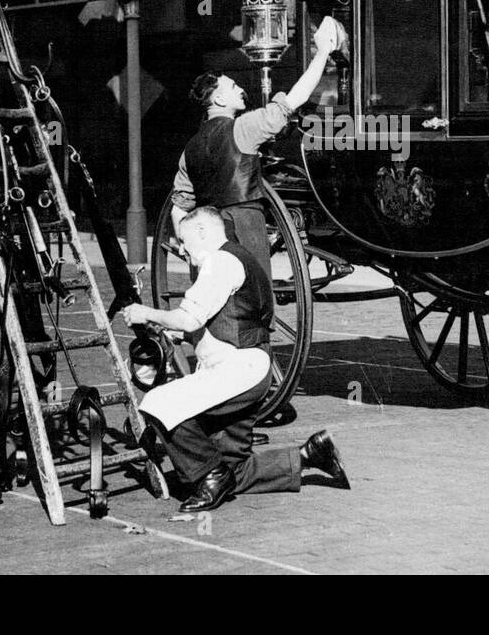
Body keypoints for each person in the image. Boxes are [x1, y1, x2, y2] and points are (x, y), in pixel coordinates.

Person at [124, 206, 349, 512]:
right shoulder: (239, 259)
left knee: (157, 404)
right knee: (234, 469)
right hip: (249, 370)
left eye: (184, 239)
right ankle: (309, 455)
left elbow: (190, 319)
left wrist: (145, 313)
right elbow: (230, 321)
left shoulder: (220, 261)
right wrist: (178, 333)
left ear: (203, 231)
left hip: (236, 372)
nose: (183, 248)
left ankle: (209, 476)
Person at [171, 15, 344, 274]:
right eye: (232, 86)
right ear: (218, 100)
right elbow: (296, 97)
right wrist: (321, 53)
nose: (240, 88)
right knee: (254, 296)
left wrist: (188, 244)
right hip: (245, 227)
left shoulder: (190, 148)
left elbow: (177, 208)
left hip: (208, 232)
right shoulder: (243, 128)